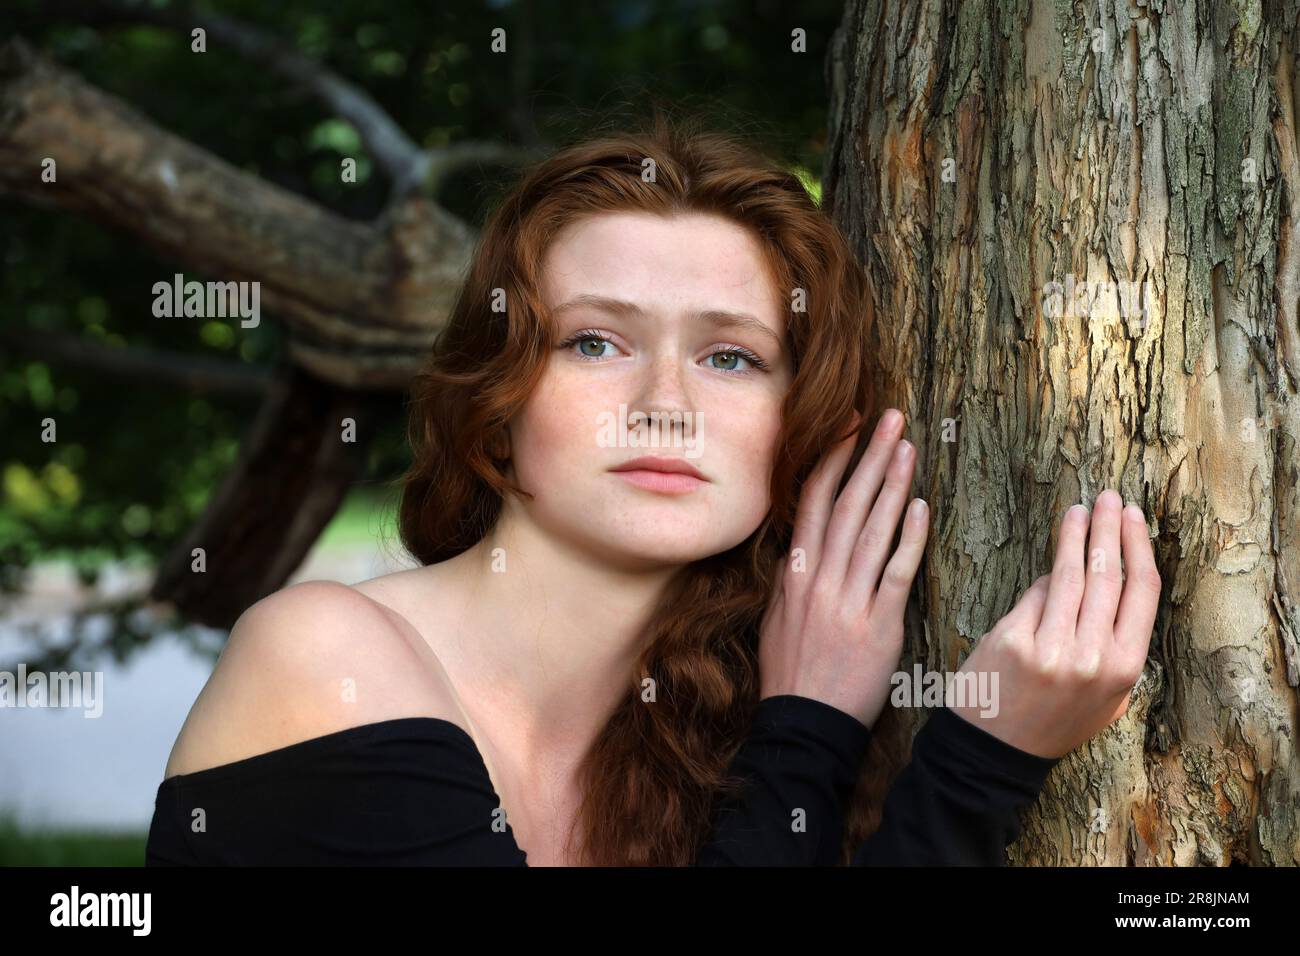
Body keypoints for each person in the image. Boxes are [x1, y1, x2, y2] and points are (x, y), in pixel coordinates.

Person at [146, 108, 1161, 866]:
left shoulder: (707, 729)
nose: (664, 402)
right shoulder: (327, 658)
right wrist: (968, 762)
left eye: (731, 357)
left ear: (804, 427)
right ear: (498, 391)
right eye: (595, 341)